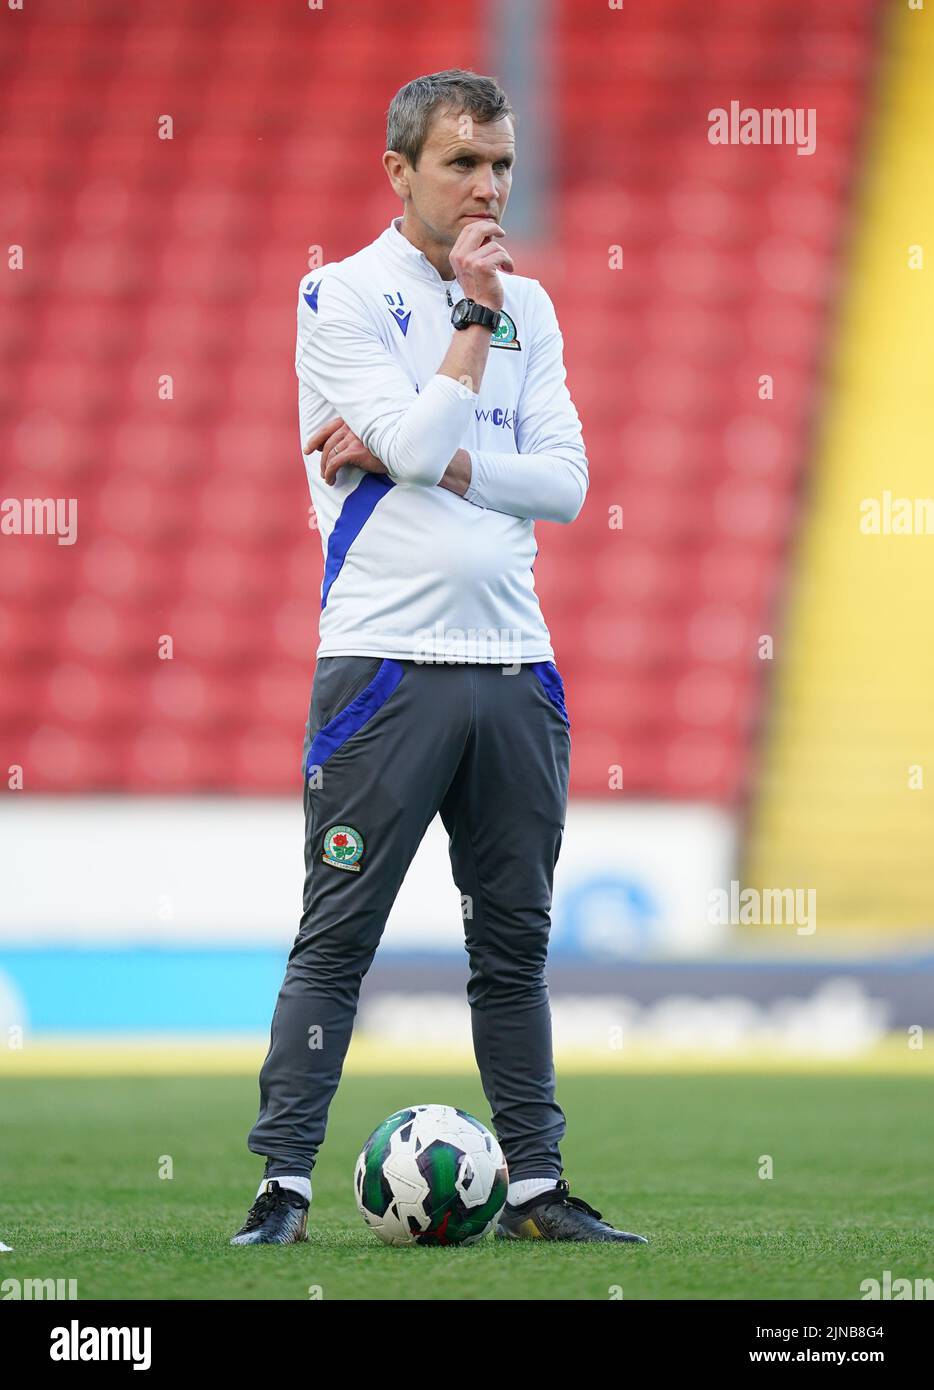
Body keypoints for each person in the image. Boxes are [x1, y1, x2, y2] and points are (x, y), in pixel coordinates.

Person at [231, 69, 647, 1246]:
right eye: (464, 162)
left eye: (502, 162)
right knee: (339, 934)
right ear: (399, 170)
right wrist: (466, 328)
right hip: (383, 665)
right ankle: (282, 1185)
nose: (489, 186)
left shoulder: (538, 307)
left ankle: (536, 1189)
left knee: (510, 944)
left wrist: (440, 458)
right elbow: (408, 441)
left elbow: (558, 483)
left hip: (515, 665)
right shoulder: (339, 295)